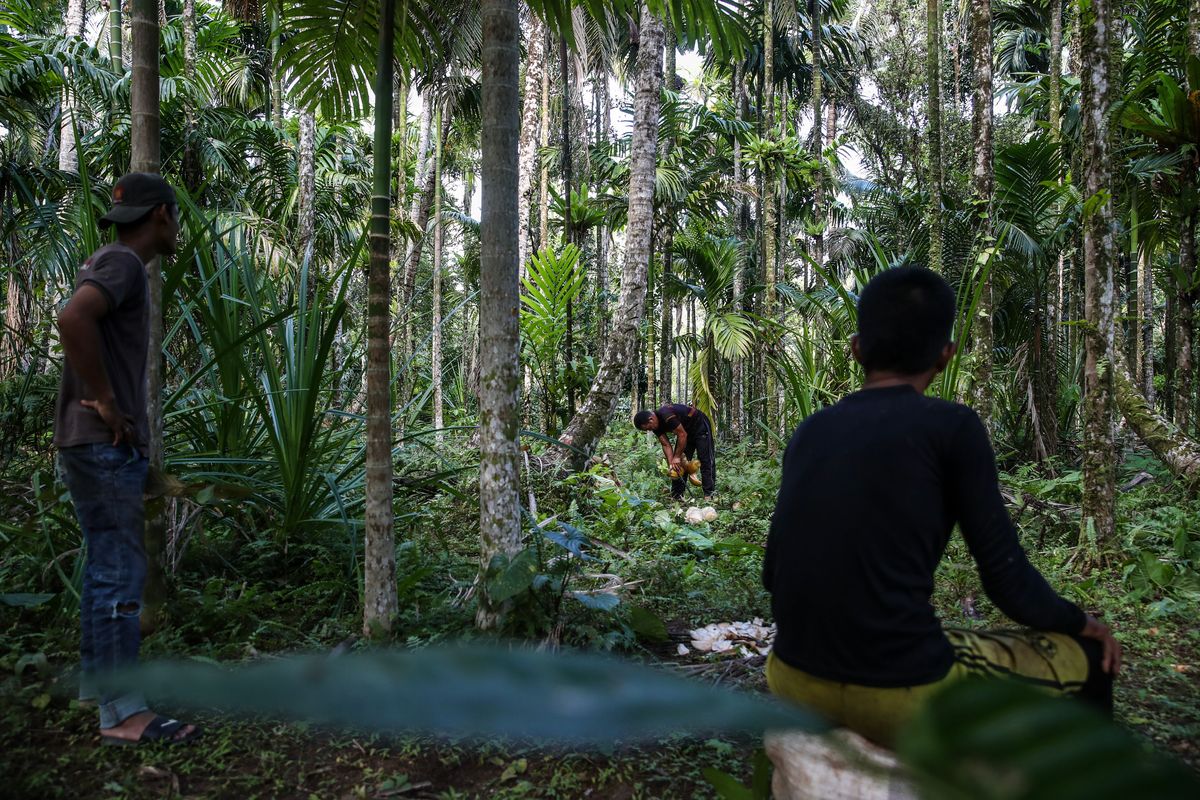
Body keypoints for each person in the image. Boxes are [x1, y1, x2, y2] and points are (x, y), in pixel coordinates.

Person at [762, 266, 1120, 746]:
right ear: (947, 356)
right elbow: (1008, 583)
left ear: (857, 348)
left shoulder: (812, 429)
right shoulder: (952, 427)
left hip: (790, 678)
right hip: (902, 692)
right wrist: (1084, 623)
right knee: (1090, 658)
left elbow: (772, 572)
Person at [55, 173, 200, 746]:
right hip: (102, 442)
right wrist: (109, 403)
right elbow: (72, 319)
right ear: (162, 214)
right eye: (175, 215)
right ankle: (123, 713)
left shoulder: (107, 258)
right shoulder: (124, 265)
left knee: (104, 565)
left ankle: (102, 692)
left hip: (83, 442)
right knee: (120, 571)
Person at [634, 403, 716, 501]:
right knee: (679, 465)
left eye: (649, 428)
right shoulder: (655, 426)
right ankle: (677, 495)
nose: (650, 430)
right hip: (685, 432)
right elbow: (666, 444)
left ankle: (709, 495)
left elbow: (682, 435)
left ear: (651, 419)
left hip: (699, 426)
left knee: (705, 460)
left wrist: (676, 457)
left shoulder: (666, 415)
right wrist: (671, 462)